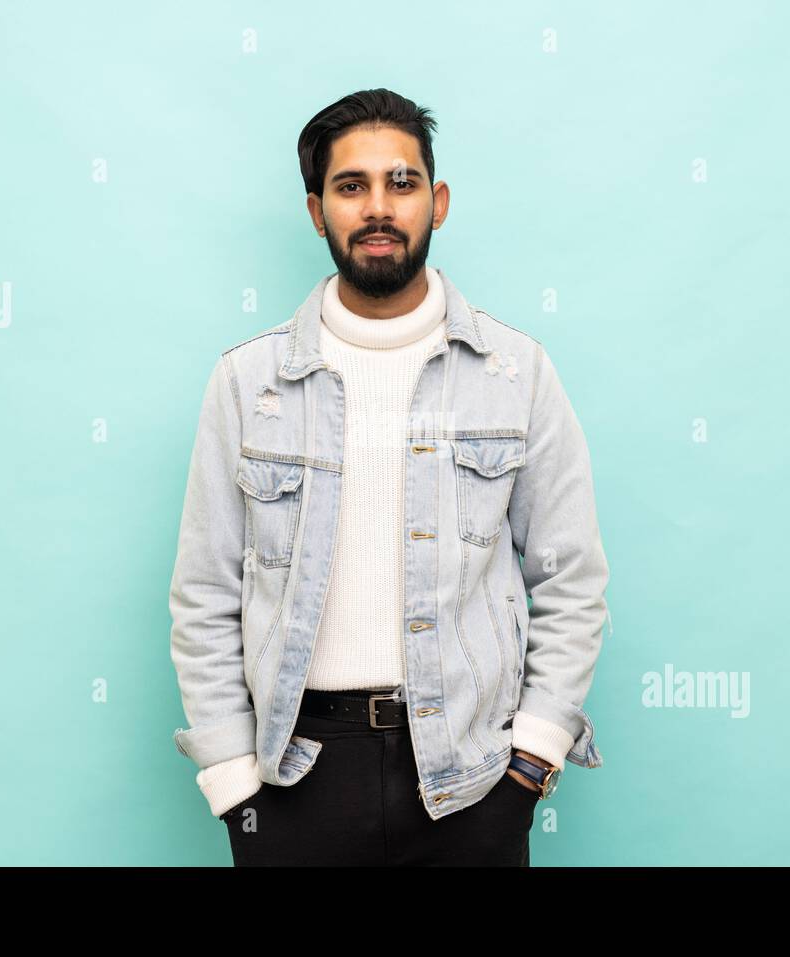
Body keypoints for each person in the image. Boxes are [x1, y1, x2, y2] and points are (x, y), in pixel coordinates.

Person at [168, 89, 610, 866]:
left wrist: (531, 763)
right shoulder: (247, 382)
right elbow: (205, 592)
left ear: (436, 203)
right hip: (295, 778)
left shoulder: (517, 374)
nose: (379, 207)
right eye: (352, 186)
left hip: (472, 779)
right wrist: (234, 786)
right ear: (316, 210)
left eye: (401, 183)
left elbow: (572, 580)